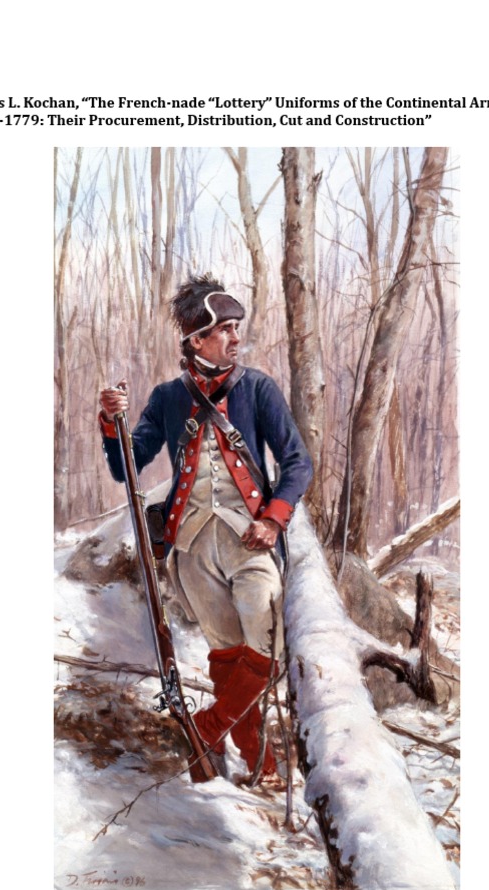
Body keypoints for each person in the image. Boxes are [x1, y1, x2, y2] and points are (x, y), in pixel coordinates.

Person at [99, 274, 312, 783]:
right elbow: (126, 466)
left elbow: (297, 463)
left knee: (267, 646)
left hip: (250, 539)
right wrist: (113, 424)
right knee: (226, 653)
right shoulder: (169, 397)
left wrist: (274, 518)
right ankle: (259, 763)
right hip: (191, 544)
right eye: (226, 330)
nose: (237, 338)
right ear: (197, 339)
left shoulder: (258, 388)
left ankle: (207, 728)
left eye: (238, 328)